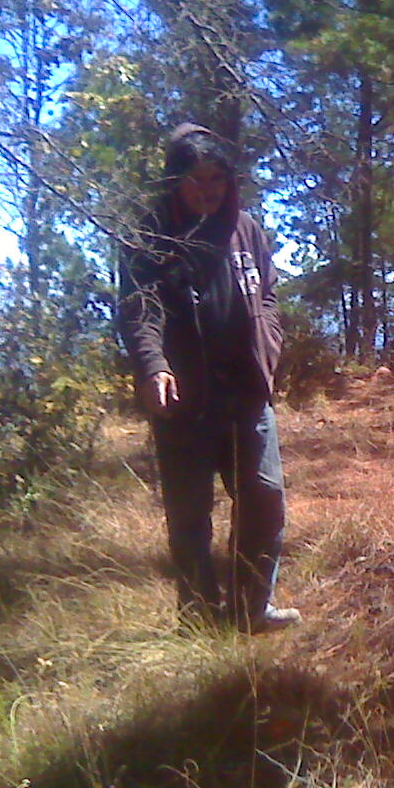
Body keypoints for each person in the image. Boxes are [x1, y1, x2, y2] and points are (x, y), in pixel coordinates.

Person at [117, 124, 299, 632]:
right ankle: (198, 618)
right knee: (191, 516)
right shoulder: (149, 234)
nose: (208, 190)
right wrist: (154, 366)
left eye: (217, 178)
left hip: (246, 394)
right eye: (197, 179)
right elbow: (138, 309)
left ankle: (251, 609)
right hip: (184, 401)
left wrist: (270, 343)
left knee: (263, 499)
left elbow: (267, 294)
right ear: (176, 179)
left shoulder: (247, 230)